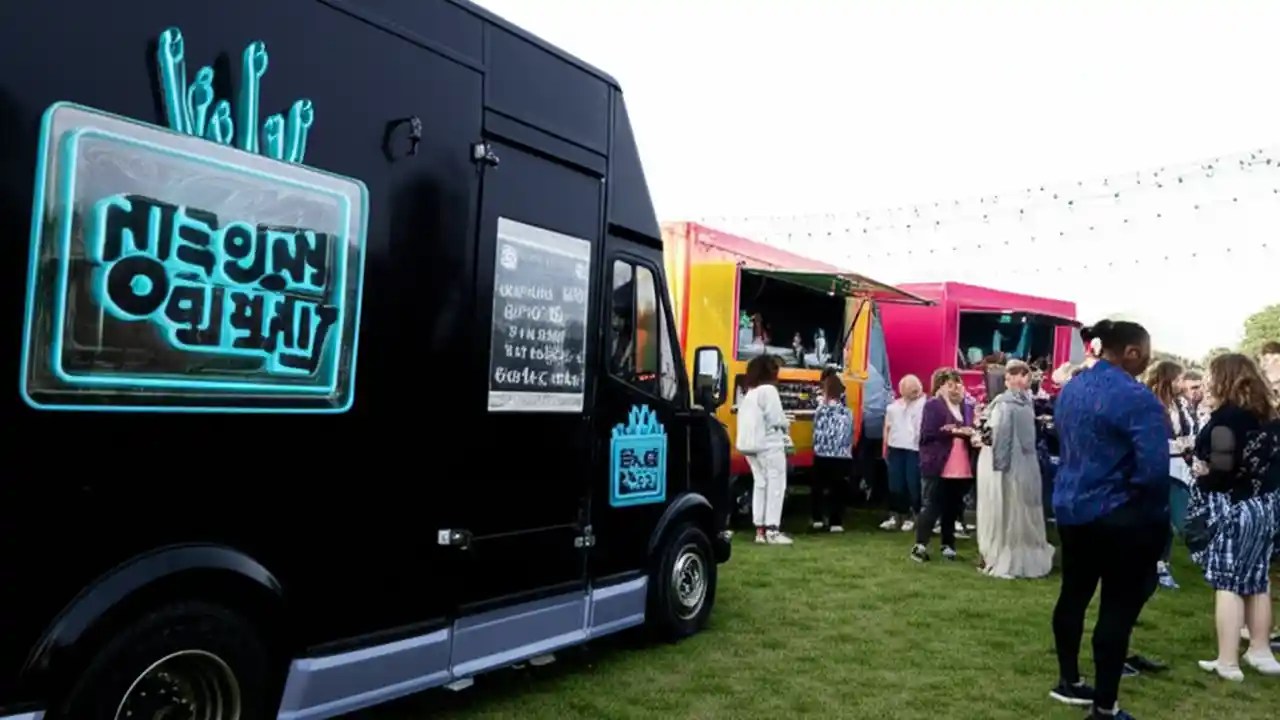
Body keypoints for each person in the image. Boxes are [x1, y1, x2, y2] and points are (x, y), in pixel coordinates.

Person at [1048, 320, 1169, 720]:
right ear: (1132, 352)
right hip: (1120, 515)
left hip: (1071, 507)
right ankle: (1104, 707)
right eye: (1147, 352)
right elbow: (1153, 471)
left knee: (1074, 594)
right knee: (1116, 609)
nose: (1150, 360)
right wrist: (1153, 520)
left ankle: (1068, 680)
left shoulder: (1072, 388)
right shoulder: (1139, 398)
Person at [1188, 353, 1280, 681]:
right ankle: (1260, 650)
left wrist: (1201, 472)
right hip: (1265, 505)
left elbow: (1222, 472)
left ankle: (1227, 661)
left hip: (1233, 507)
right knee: (1257, 578)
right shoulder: (1270, 415)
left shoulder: (1228, 418)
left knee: (1227, 581)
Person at [975, 360, 1056, 579]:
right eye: (1015, 375)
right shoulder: (1003, 403)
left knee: (1026, 507)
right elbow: (999, 436)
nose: (1020, 379)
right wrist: (1001, 468)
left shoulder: (1026, 402)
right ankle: (1003, 553)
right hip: (1010, 465)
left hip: (1026, 461)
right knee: (1010, 508)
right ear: (1006, 379)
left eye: (1024, 375)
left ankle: (1025, 552)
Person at [910, 368, 976, 563]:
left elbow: (970, 428)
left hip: (961, 464)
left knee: (952, 506)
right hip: (938, 463)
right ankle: (920, 545)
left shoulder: (967, 406)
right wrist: (947, 430)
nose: (956, 388)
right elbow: (926, 434)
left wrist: (970, 431)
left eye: (958, 383)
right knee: (932, 505)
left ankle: (948, 544)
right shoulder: (933, 405)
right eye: (950, 384)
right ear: (940, 386)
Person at [1143, 360, 1193, 590]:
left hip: (1178, 467)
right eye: (1179, 379)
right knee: (1162, 519)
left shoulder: (1178, 405)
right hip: (1159, 467)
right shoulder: (1150, 404)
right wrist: (1176, 445)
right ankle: (1156, 565)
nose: (1182, 383)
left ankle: (1159, 563)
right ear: (1167, 379)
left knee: (1173, 519)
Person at [738, 355, 794, 545]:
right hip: (770, 444)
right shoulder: (769, 391)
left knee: (760, 484)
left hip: (750, 446)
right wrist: (787, 422)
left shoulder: (750, 393)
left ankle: (760, 530)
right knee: (776, 486)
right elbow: (776, 419)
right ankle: (773, 529)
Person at [882, 374, 926, 531]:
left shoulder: (924, 404)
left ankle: (914, 514)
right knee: (895, 483)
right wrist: (885, 447)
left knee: (912, 482)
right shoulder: (893, 407)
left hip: (914, 449)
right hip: (896, 448)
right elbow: (887, 427)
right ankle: (897, 514)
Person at [811, 374, 853, 532]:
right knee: (838, 488)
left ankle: (817, 518)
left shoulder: (821, 410)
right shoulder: (846, 412)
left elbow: (816, 429)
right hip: (841, 454)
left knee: (818, 488)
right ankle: (836, 521)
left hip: (822, 452)